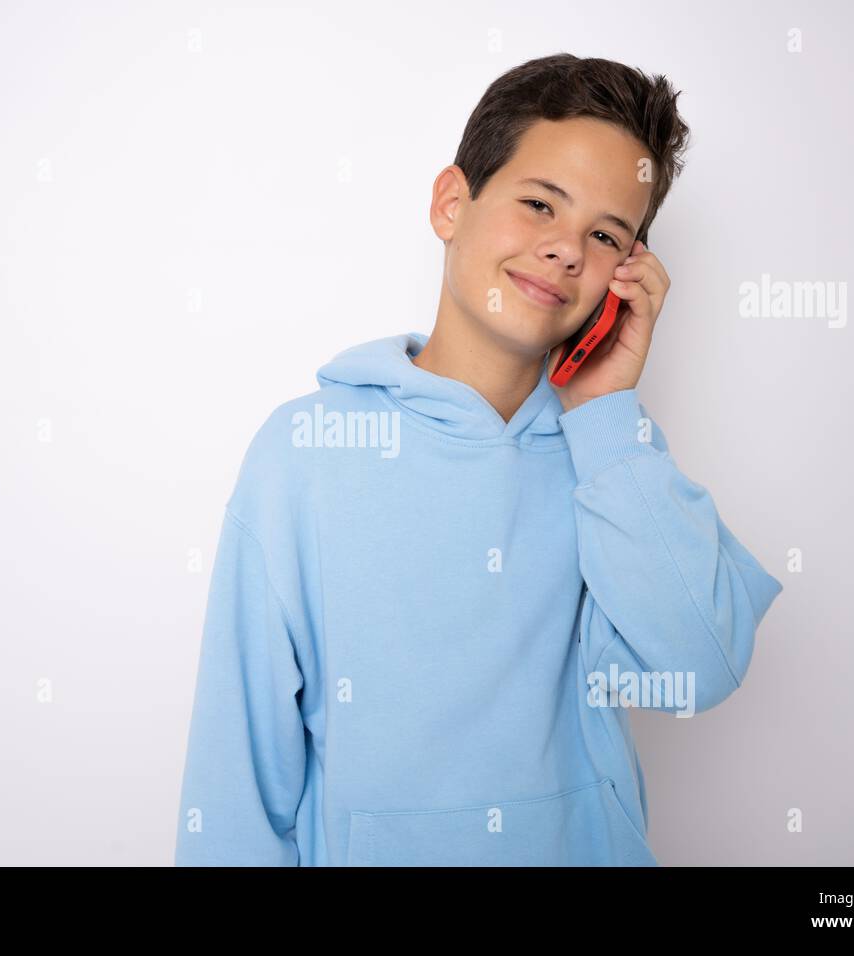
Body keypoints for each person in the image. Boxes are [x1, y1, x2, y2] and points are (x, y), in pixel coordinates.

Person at [173, 52, 783, 866]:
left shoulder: (611, 465)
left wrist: (605, 417)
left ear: (628, 273)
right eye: (539, 204)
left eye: (605, 235)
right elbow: (236, 790)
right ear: (451, 203)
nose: (567, 250)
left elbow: (700, 667)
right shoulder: (304, 457)